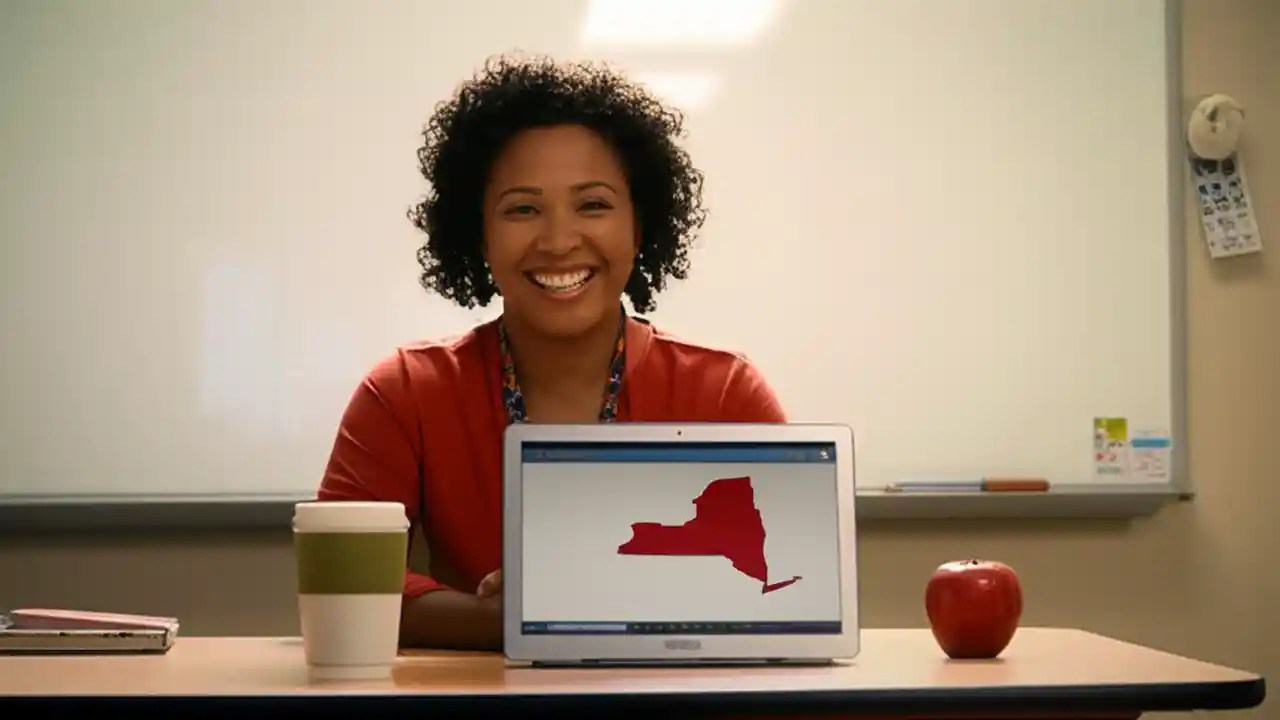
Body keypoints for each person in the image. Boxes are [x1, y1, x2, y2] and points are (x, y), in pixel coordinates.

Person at [317, 54, 787, 651]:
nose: (560, 241)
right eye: (523, 209)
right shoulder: (405, 391)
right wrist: (510, 619)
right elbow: (340, 578)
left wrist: (560, 607)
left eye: (593, 205)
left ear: (639, 228)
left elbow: (790, 587)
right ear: (478, 233)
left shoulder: (723, 392)